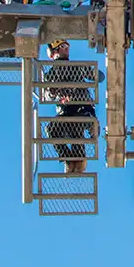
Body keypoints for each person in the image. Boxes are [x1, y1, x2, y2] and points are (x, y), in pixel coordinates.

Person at [40, 40, 99, 173]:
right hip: (65, 111)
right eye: (62, 47)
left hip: (82, 108)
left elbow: (95, 76)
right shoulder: (51, 75)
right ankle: (69, 159)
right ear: (54, 52)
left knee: (75, 124)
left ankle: (79, 159)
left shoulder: (76, 67)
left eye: (67, 47)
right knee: (52, 129)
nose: (66, 49)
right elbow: (47, 94)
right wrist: (54, 92)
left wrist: (92, 73)